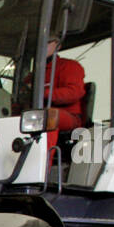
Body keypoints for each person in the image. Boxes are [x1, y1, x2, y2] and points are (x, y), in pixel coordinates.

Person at [34, 34, 86, 162]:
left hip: (69, 116)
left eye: (47, 42)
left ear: (57, 45)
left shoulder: (70, 66)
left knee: (48, 116)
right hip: (35, 115)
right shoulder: (34, 73)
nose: (42, 45)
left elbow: (74, 92)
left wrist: (43, 94)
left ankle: (42, 168)